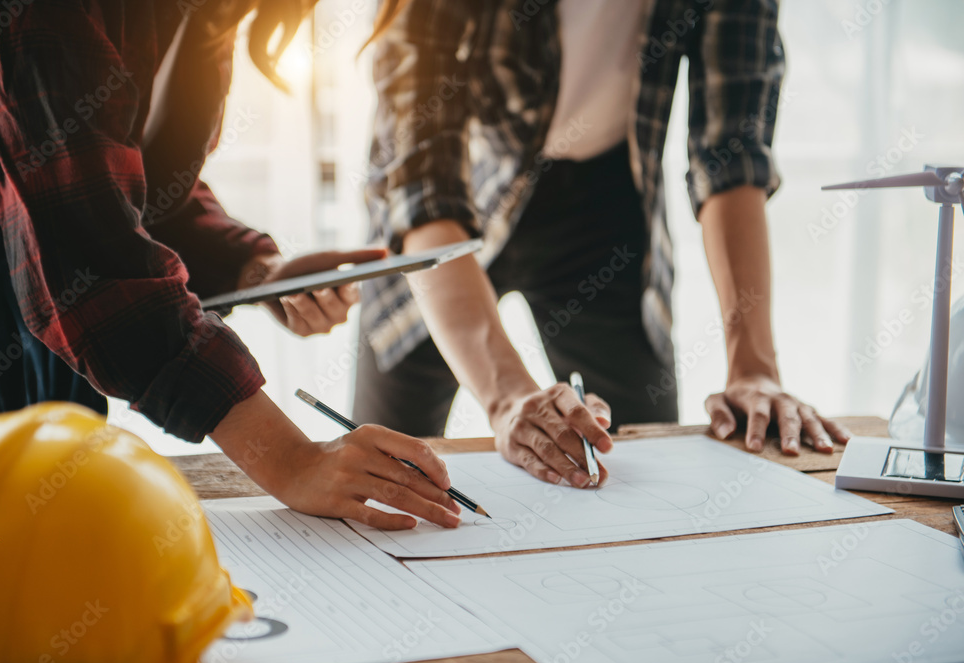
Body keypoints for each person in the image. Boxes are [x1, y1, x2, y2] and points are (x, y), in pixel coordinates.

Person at [0, 0, 460, 530]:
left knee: (39, 544)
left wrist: (254, 269)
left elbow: (139, 184)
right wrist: (290, 460)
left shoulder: (212, 12)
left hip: (50, 335)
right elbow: (84, 240)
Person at [355, 0, 852, 487]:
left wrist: (754, 368)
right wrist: (507, 399)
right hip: (449, 219)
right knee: (387, 469)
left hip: (606, 206)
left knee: (639, 469)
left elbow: (732, 153)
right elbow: (418, 181)